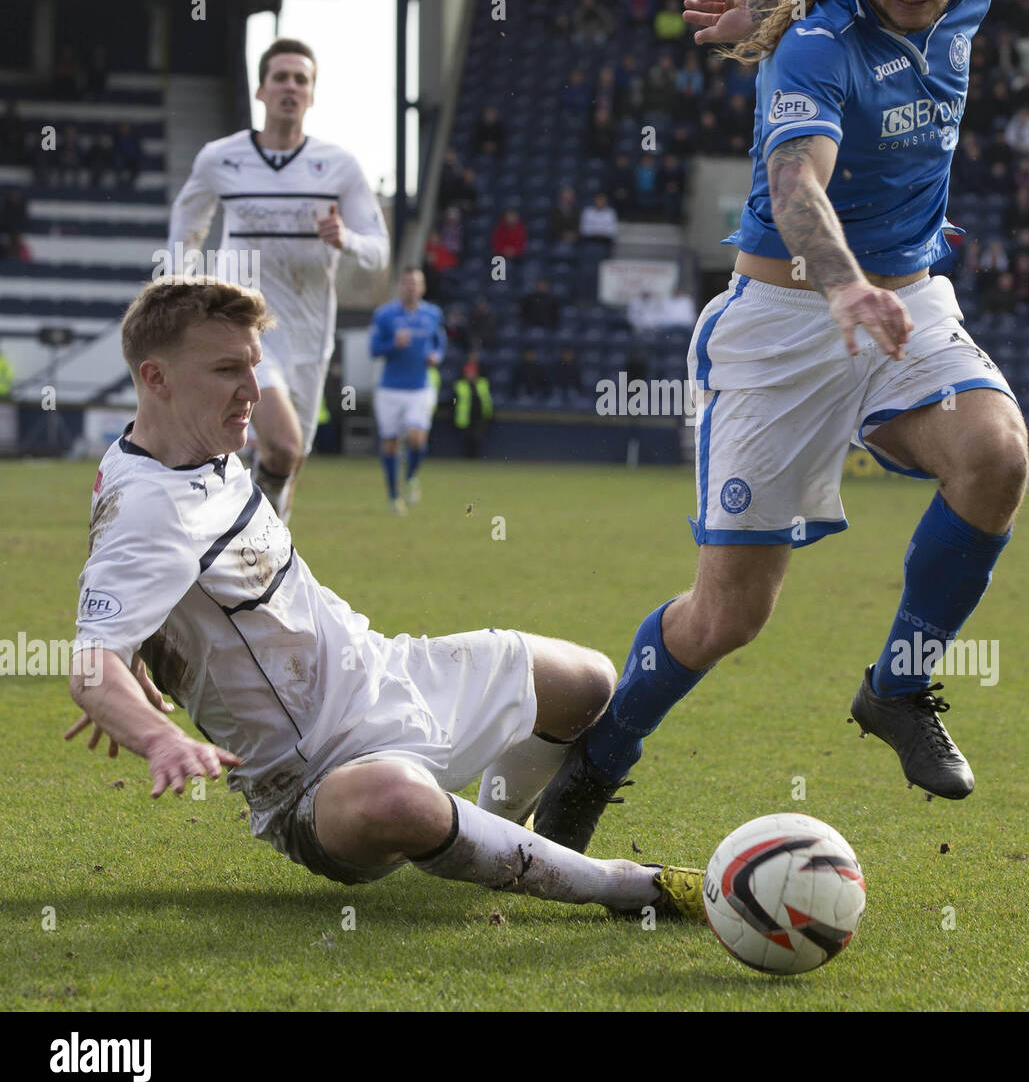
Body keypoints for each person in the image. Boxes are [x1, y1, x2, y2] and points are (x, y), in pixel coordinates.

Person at [537, 0, 1027, 853]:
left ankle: (897, 688)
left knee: (995, 455)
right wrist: (843, 285)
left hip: (908, 306)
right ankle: (598, 758)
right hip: (784, 329)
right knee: (727, 619)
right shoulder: (815, 46)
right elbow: (798, 185)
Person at [63, 277, 702, 919]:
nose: (253, 392)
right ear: (157, 378)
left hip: (389, 672)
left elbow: (154, 578)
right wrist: (158, 738)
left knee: (587, 682)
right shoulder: (148, 506)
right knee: (395, 801)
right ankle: (623, 885)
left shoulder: (191, 444)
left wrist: (146, 638)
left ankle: (497, 829)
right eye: (228, 370)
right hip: (313, 779)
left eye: (254, 367)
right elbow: (91, 666)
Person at [167, 39, 390, 521]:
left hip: (310, 330)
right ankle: (244, 542)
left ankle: (260, 554)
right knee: (284, 446)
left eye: (301, 79)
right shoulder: (219, 158)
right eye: (281, 77)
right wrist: (174, 289)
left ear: (311, 96)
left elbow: (379, 252)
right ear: (261, 91)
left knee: (289, 459)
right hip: (244, 323)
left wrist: (345, 238)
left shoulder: (339, 166)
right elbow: (188, 224)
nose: (290, 86)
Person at [369, 267, 446, 515]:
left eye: (415, 283)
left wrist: (437, 355)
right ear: (400, 287)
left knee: (416, 437)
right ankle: (393, 497)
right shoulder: (385, 315)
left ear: (422, 287)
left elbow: (439, 342)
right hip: (390, 388)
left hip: (419, 387)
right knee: (390, 444)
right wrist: (393, 344)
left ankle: (411, 476)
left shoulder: (433, 314)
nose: (411, 288)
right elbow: (374, 349)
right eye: (406, 283)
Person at [454, 354, 493, 458]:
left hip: (479, 416)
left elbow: (487, 399)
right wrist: (453, 408)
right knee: (466, 439)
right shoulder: (460, 385)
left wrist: (488, 415)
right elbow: (453, 400)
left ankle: (476, 456)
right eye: (468, 372)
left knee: (477, 438)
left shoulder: (482, 383)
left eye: (472, 372)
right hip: (465, 417)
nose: (470, 374)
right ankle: (466, 456)